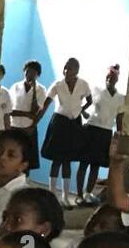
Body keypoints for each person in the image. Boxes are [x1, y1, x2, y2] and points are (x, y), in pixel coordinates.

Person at [35, 58, 92, 206]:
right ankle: (52, 195)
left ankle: (65, 196)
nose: (67, 71)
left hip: (74, 124)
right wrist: (35, 121)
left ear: (77, 71)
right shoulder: (57, 85)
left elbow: (90, 100)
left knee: (67, 160)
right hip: (59, 123)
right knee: (56, 160)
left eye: (71, 68)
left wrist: (82, 111)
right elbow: (46, 105)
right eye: (66, 68)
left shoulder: (83, 84)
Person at [74, 63, 124, 204]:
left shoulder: (120, 98)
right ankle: (79, 195)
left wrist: (119, 134)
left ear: (117, 79)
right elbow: (83, 103)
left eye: (113, 77)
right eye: (108, 76)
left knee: (95, 165)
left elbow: (119, 117)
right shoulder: (96, 90)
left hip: (106, 132)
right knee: (84, 163)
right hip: (92, 129)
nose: (110, 79)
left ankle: (88, 193)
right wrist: (82, 113)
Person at [8, 60, 47, 172]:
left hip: (28, 128)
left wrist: (34, 89)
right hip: (14, 126)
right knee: (12, 154)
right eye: (27, 71)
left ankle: (23, 183)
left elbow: (36, 110)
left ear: (37, 75)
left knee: (26, 159)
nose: (29, 75)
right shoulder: (15, 87)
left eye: (33, 73)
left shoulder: (41, 90)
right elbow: (10, 110)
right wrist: (26, 114)